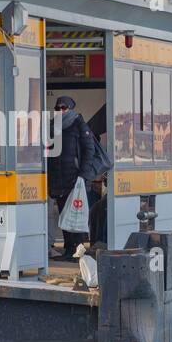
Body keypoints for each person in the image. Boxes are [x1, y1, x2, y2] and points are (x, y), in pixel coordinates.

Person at [47, 95, 101, 259]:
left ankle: (77, 250)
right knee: (64, 214)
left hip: (75, 179)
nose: (60, 111)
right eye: (58, 108)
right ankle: (69, 249)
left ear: (71, 108)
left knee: (75, 214)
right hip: (58, 178)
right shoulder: (52, 126)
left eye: (64, 108)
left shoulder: (79, 124)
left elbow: (89, 150)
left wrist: (83, 176)